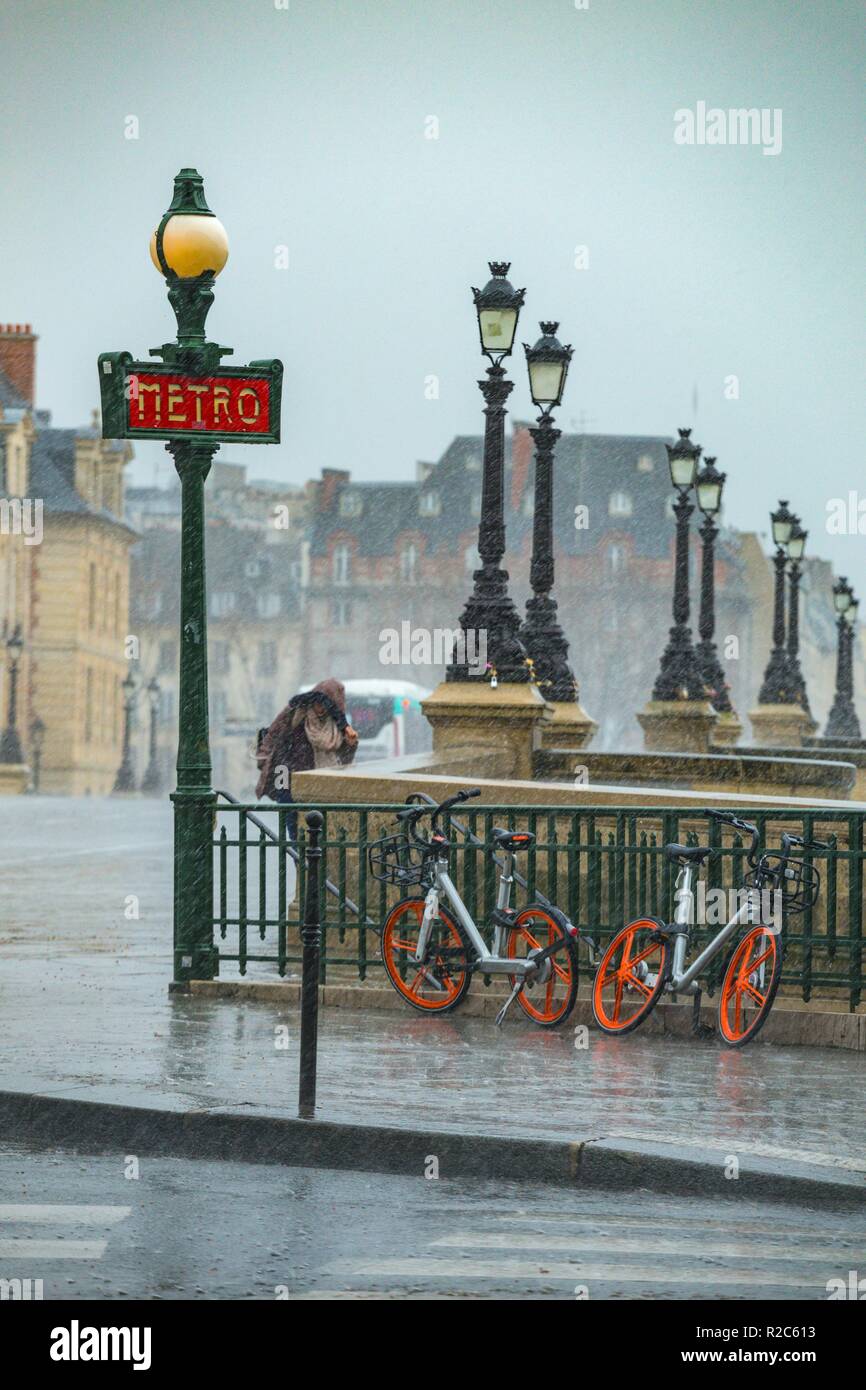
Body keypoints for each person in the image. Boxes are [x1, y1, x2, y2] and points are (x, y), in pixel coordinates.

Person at [255, 678, 358, 838]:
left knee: (316, 828)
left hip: (317, 781)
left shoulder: (337, 726)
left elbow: (344, 760)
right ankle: (299, 859)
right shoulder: (296, 712)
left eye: (326, 704)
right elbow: (273, 734)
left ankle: (304, 859)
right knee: (292, 824)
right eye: (318, 702)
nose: (320, 708)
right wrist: (263, 760)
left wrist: (351, 744)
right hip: (285, 774)